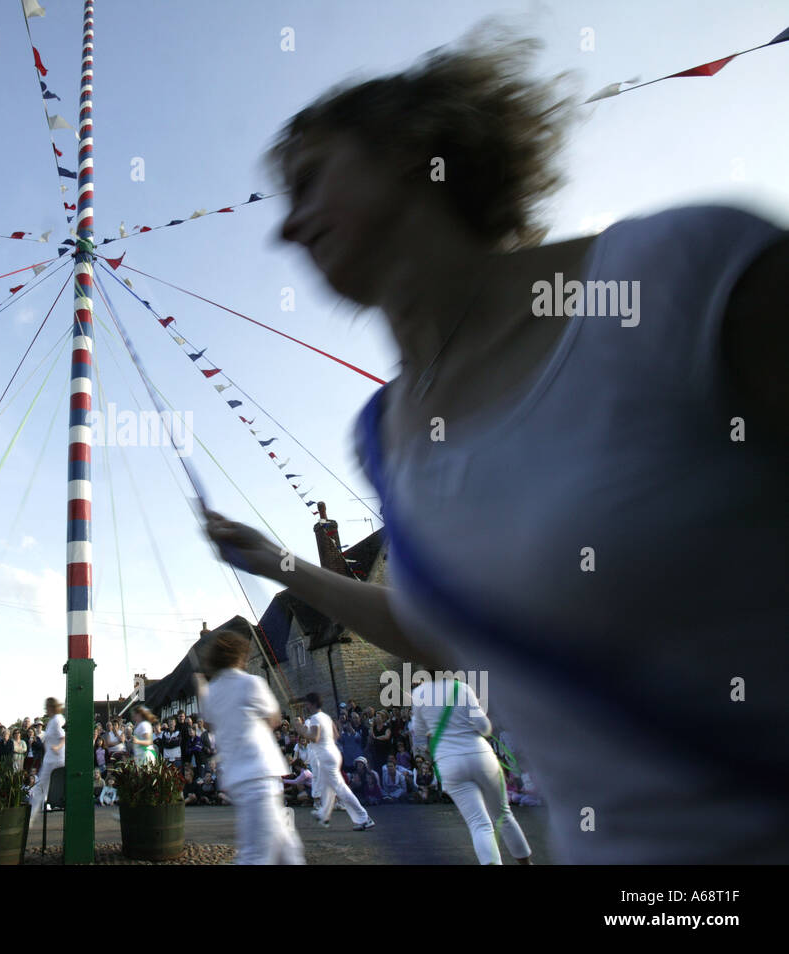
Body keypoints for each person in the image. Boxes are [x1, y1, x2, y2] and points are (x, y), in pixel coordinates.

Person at [204, 24, 789, 864]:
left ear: (412, 152)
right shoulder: (383, 435)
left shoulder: (676, 275)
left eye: (308, 181)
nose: (286, 230)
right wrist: (276, 562)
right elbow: (441, 635)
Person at [196, 629, 303, 865]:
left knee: (288, 847)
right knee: (256, 855)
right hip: (258, 773)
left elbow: (210, 724)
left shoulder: (210, 693)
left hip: (239, 775)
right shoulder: (251, 683)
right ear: (238, 656)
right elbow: (274, 718)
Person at [412, 677, 531, 865]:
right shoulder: (463, 688)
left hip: (449, 763)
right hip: (481, 756)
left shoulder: (419, 694)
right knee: (503, 816)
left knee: (479, 824)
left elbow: (418, 732)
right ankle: (526, 864)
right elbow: (484, 728)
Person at [296, 693, 374, 831]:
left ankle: (364, 817)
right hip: (333, 754)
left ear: (312, 704)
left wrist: (300, 728)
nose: (306, 706)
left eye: (307, 703)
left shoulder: (314, 718)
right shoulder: (326, 717)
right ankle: (324, 815)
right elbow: (336, 735)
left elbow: (313, 737)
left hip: (326, 757)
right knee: (327, 786)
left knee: (340, 788)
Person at [28, 698, 65, 824]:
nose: (46, 710)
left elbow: (63, 736)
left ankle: (30, 817)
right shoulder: (52, 721)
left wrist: (57, 747)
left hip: (56, 759)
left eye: (48, 707)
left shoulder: (58, 719)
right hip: (50, 758)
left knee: (41, 788)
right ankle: (33, 814)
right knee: (41, 789)